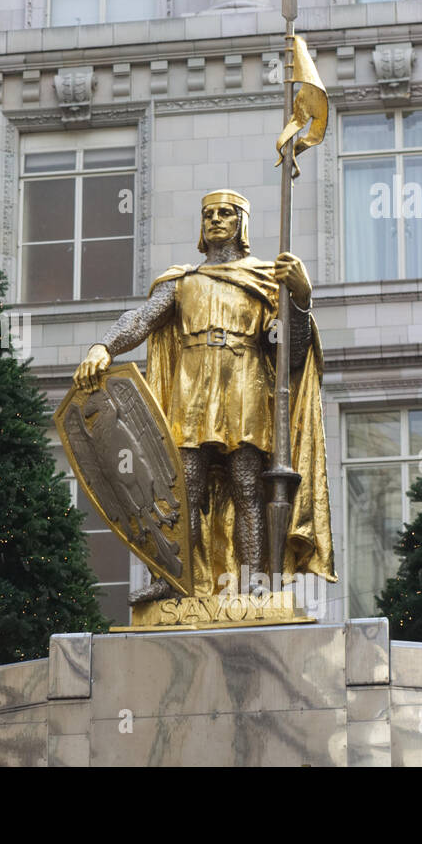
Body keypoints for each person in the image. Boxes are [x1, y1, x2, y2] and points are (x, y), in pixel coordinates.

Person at [73, 189, 335, 602]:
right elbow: (140, 320)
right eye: (209, 214)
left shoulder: (266, 280)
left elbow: (291, 351)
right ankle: (173, 578)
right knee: (182, 490)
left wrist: (300, 300)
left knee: (247, 486)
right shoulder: (182, 281)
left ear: (241, 223)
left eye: (226, 213)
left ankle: (253, 582)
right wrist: (103, 345)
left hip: (245, 385)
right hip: (191, 389)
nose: (216, 219)